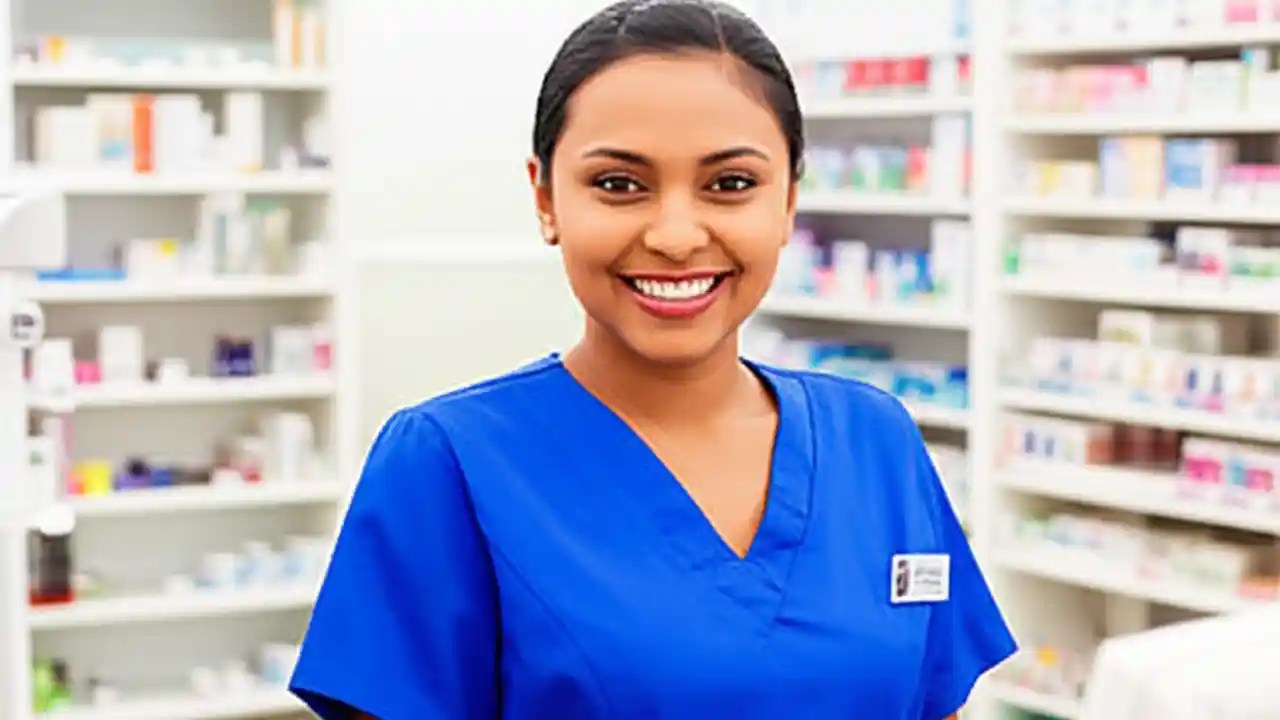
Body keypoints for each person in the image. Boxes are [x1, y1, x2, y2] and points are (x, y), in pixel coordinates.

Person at [287, 1, 1017, 718]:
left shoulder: (875, 440)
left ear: (790, 200)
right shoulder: (449, 463)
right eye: (618, 185)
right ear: (545, 198)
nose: (674, 235)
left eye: (730, 184)